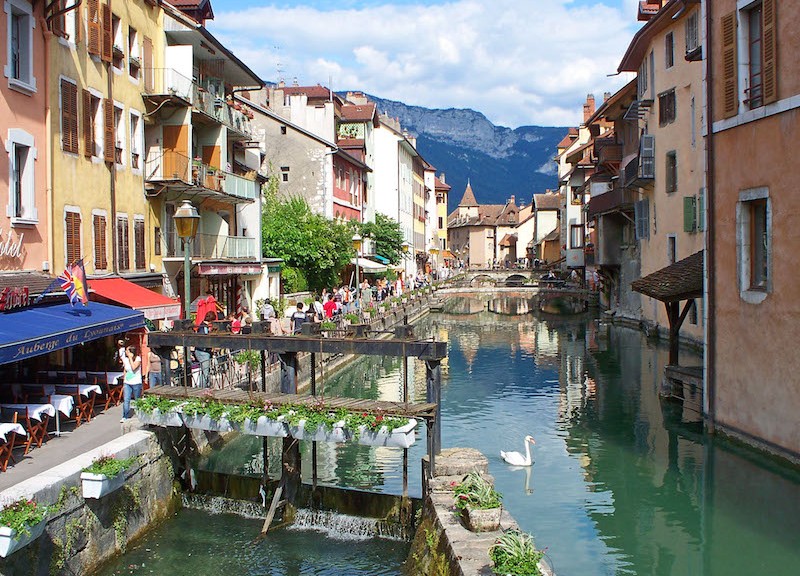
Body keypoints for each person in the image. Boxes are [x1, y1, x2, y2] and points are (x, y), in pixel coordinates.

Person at [121, 345, 142, 422]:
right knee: (126, 399)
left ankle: (140, 414)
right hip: (127, 382)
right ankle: (125, 416)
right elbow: (125, 370)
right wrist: (124, 380)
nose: (126, 352)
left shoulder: (138, 359)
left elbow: (133, 368)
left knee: (137, 399)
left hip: (136, 382)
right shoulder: (125, 360)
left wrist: (130, 358)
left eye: (127, 351)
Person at [194, 313, 214, 388]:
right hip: (203, 351)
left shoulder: (201, 326)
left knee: (204, 371)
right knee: (205, 371)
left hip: (200, 350)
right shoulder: (204, 327)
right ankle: (202, 388)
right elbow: (204, 340)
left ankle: (203, 386)